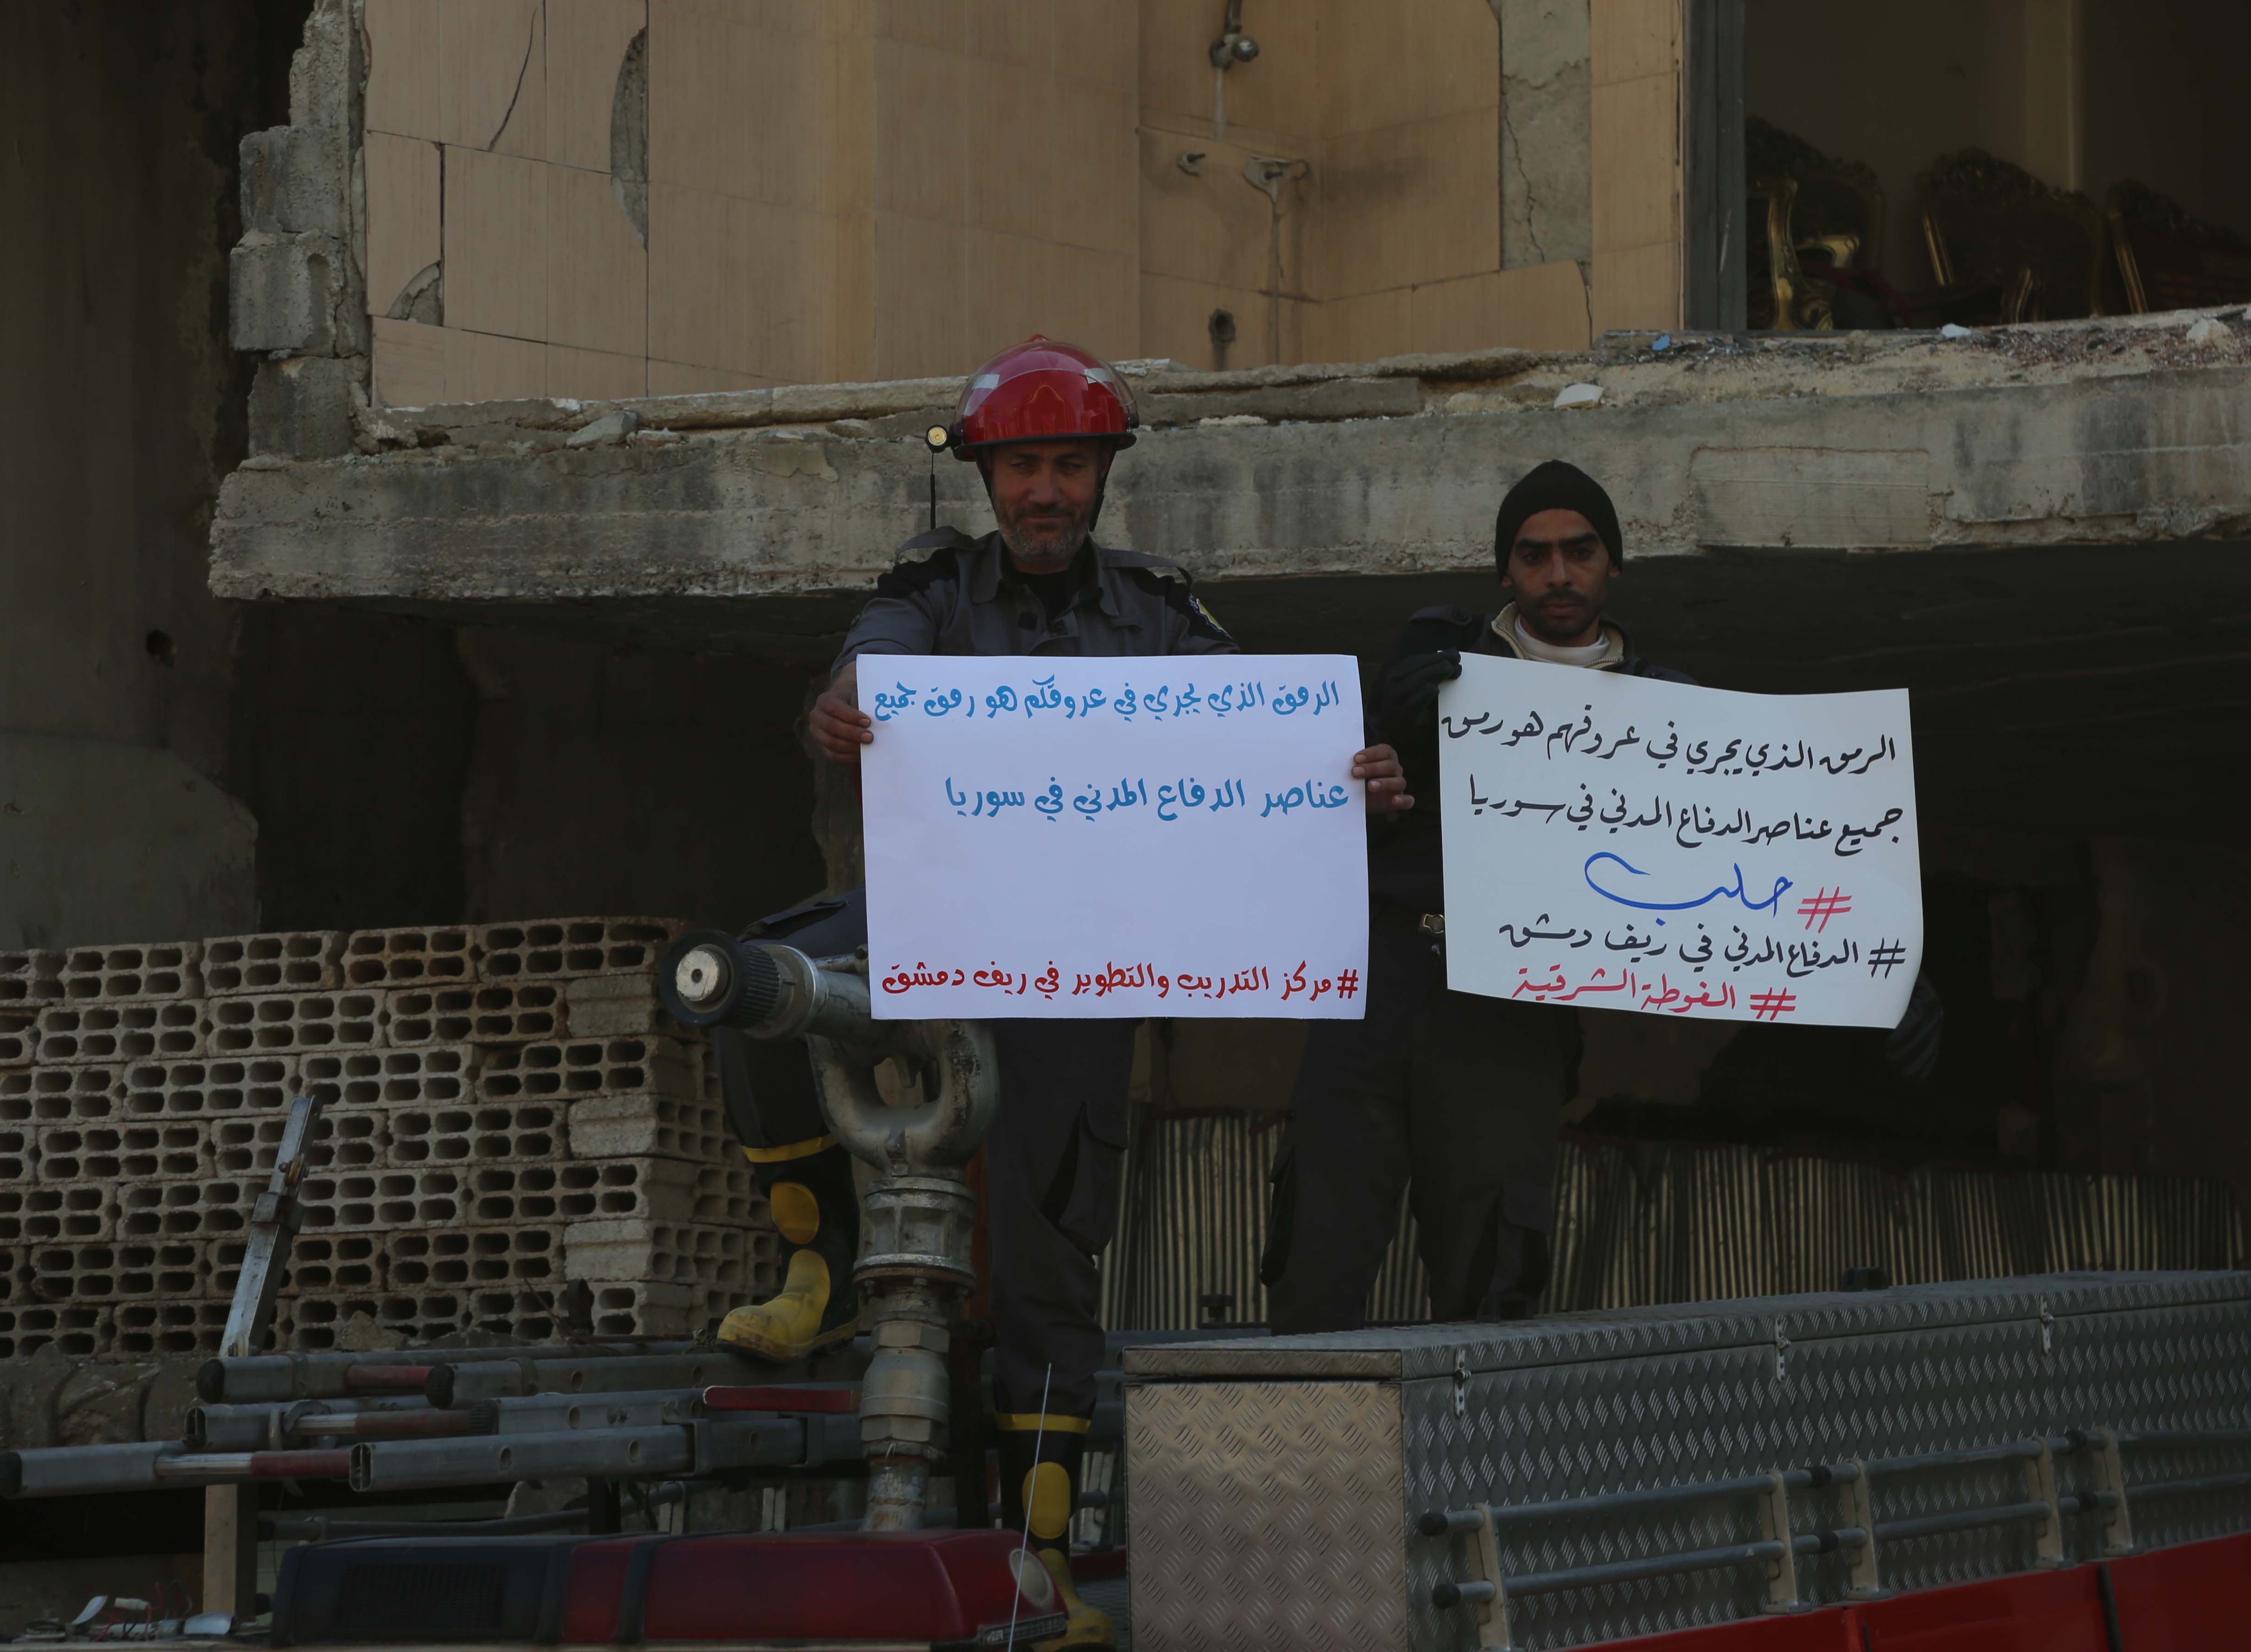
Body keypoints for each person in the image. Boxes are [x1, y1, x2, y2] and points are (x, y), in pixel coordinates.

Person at [716, 336, 1408, 1646]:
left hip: (1075, 964)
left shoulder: (1160, 606)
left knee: (1045, 1268)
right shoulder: (930, 584)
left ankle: (1042, 1568)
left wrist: (1345, 772)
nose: (1048, 491)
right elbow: (868, 661)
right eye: (1025, 466)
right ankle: (817, 1263)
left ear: (1104, 476)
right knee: (760, 981)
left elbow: (1259, 727)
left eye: (1072, 467)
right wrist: (839, 706)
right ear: (987, 477)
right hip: (931, 927)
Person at [1260, 461, 1691, 1334]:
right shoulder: (1435, 655)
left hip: (1512, 1004)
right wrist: (1371, 770)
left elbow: (1743, 854)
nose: (1558, 575)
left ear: (1613, 564)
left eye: (1580, 552)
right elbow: (1319, 809)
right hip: (1383, 977)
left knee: (1489, 1271)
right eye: (1534, 556)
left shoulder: (1664, 709)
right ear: (1505, 572)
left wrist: (1875, 964)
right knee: (1318, 1248)